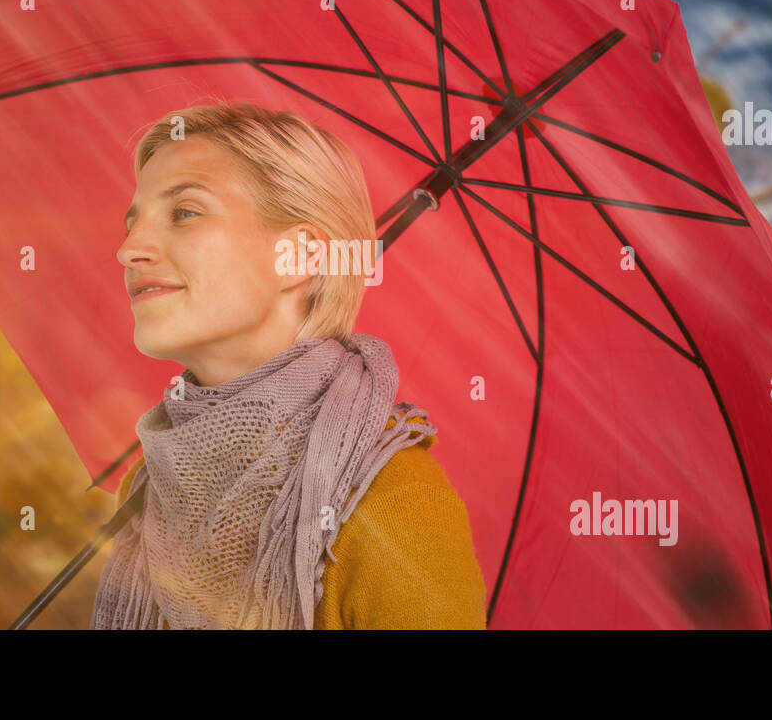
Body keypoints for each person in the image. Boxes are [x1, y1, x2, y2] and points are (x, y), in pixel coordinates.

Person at [90, 100, 485, 630]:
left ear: (299, 257)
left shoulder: (391, 503)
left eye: (185, 212)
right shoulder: (147, 488)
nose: (129, 250)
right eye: (132, 224)